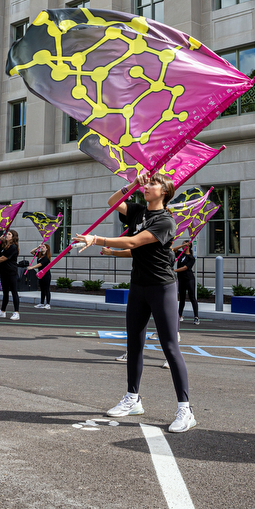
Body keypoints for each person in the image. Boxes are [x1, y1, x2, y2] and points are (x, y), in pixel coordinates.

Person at [75, 172, 196, 433]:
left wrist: (96, 239)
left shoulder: (166, 221)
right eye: (148, 182)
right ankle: (133, 398)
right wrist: (133, 184)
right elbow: (112, 202)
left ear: (165, 191)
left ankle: (185, 410)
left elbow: (134, 241)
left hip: (161, 287)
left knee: (170, 347)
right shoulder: (139, 211)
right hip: (139, 286)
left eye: (154, 183)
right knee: (134, 344)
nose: (148, 186)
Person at [0, 230, 21, 320]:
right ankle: (2, 311)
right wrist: (0, 238)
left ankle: (16, 312)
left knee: (14, 292)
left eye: (9, 234)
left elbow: (3, 258)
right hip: (3, 272)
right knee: (5, 292)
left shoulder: (13, 247)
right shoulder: (3, 245)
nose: (7, 235)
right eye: (7, 234)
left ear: (13, 237)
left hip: (11, 272)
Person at [174, 240, 199, 325]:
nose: (183, 245)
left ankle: (196, 317)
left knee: (192, 297)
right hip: (181, 279)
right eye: (182, 244)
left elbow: (185, 267)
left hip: (189, 279)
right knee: (182, 297)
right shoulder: (180, 254)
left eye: (185, 244)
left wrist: (174, 270)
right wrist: (181, 246)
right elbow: (173, 250)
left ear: (189, 246)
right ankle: (179, 315)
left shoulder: (191, 258)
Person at [28, 243, 52, 309]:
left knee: (46, 289)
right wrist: (37, 247)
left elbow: (40, 264)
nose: (42, 247)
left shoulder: (46, 257)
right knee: (42, 289)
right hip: (40, 274)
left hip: (46, 274)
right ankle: (42, 303)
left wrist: (32, 267)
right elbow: (31, 252)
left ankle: (48, 304)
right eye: (42, 247)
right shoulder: (40, 255)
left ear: (47, 249)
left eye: (44, 247)